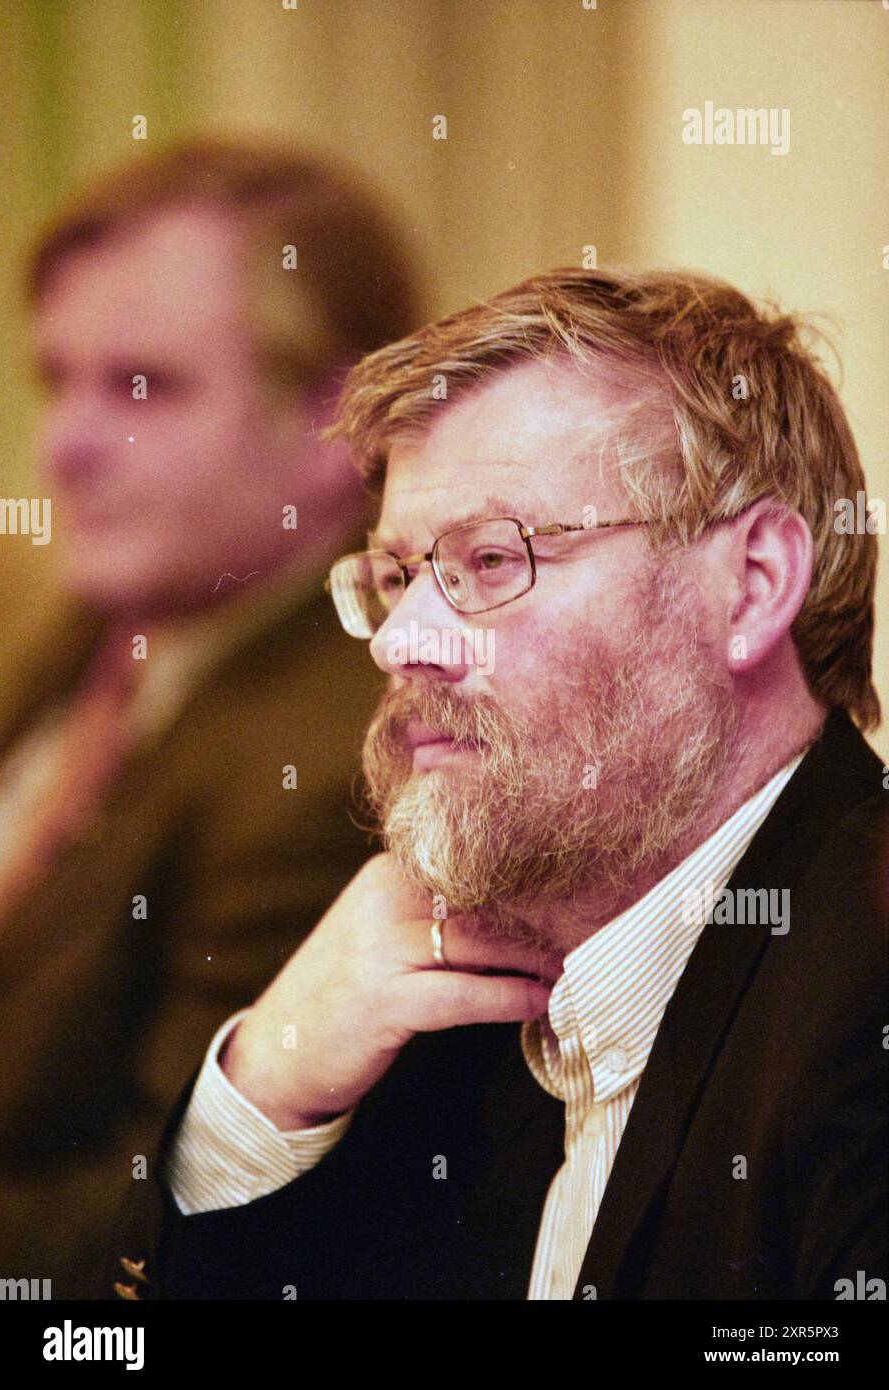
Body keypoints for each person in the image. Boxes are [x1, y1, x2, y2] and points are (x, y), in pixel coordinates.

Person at [107, 267, 887, 1301]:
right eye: (397, 576)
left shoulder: (861, 1003)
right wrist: (260, 1100)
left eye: (489, 560)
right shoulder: (431, 994)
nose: (400, 641)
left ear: (749, 587)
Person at [0, 137, 417, 1298]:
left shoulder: (346, 757)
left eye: (142, 386)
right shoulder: (103, 623)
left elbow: (155, 1217)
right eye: (56, 379)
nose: (65, 444)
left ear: (332, 420)